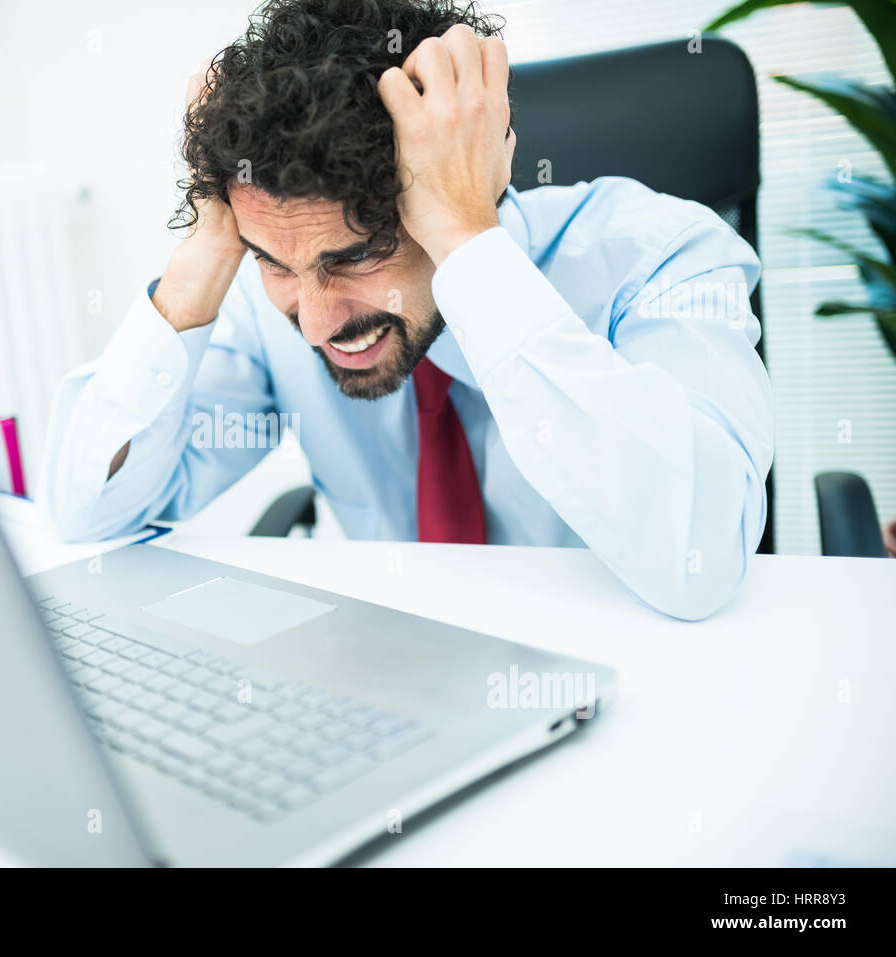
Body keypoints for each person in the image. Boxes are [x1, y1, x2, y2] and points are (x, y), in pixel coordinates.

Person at [38, 0, 774, 621]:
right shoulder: (276, 308)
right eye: (273, 260)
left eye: (355, 257)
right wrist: (203, 259)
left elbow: (700, 560)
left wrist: (465, 238)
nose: (319, 324)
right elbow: (89, 514)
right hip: (381, 680)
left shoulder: (660, 258)